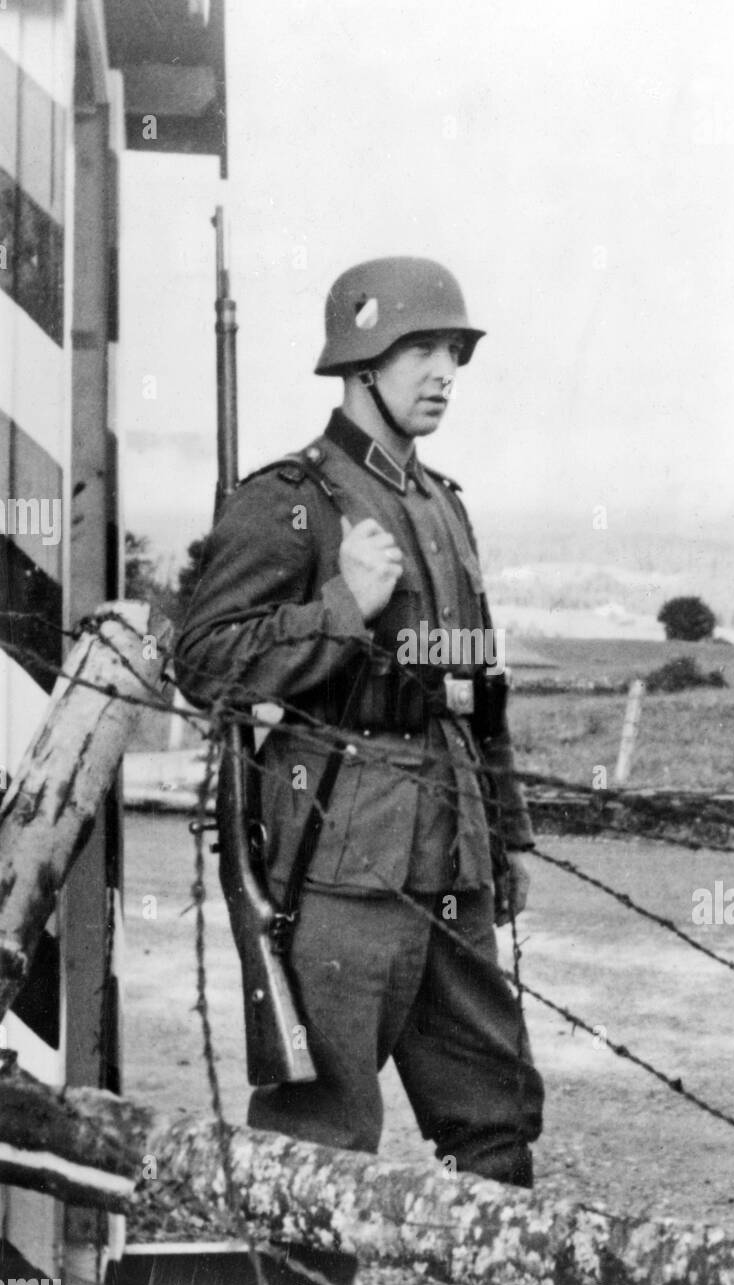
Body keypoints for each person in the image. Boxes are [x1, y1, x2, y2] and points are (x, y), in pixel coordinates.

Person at [174, 257, 544, 1206]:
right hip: (344, 857)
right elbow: (206, 660)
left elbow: (479, 687)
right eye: (421, 347)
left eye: (452, 351)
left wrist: (507, 835)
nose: (443, 371)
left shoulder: (442, 506)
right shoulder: (292, 498)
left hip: (453, 848)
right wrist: (344, 604)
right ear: (362, 360)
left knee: (493, 1117)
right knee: (322, 1140)